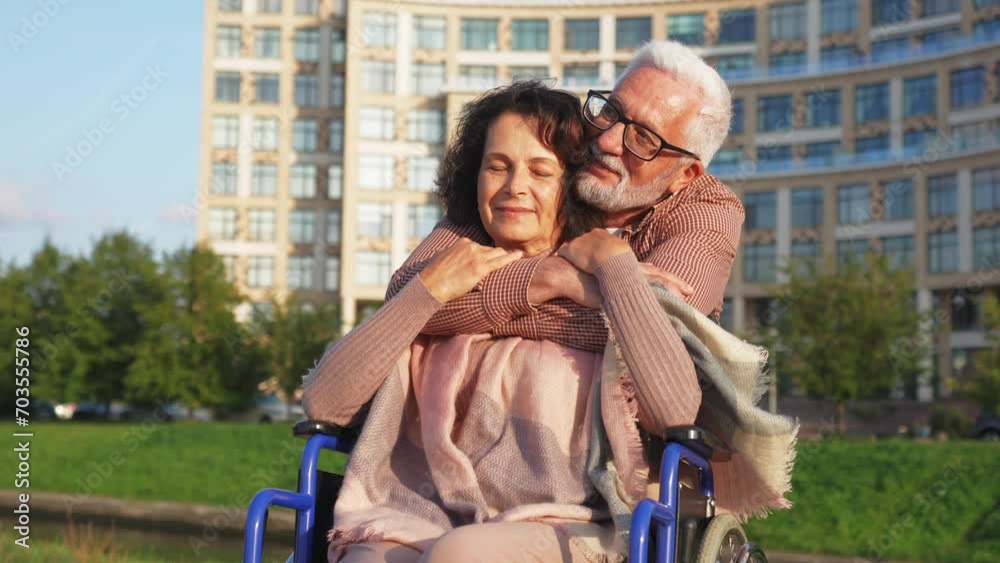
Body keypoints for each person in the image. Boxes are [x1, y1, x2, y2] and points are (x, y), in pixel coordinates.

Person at [302, 81, 703, 563]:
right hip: (416, 513)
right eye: (497, 166)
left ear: (572, 184)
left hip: (567, 523)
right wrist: (427, 293)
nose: (515, 187)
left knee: (461, 555)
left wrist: (613, 264)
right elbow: (324, 402)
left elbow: (679, 413)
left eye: (540, 171)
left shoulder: (610, 283)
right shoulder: (445, 274)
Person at [386, 40, 743, 354]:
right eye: (611, 111)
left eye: (644, 138)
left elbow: (661, 331)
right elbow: (405, 292)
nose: (606, 141)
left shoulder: (708, 209)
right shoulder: (546, 157)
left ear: (684, 174)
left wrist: (451, 305)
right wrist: (552, 279)